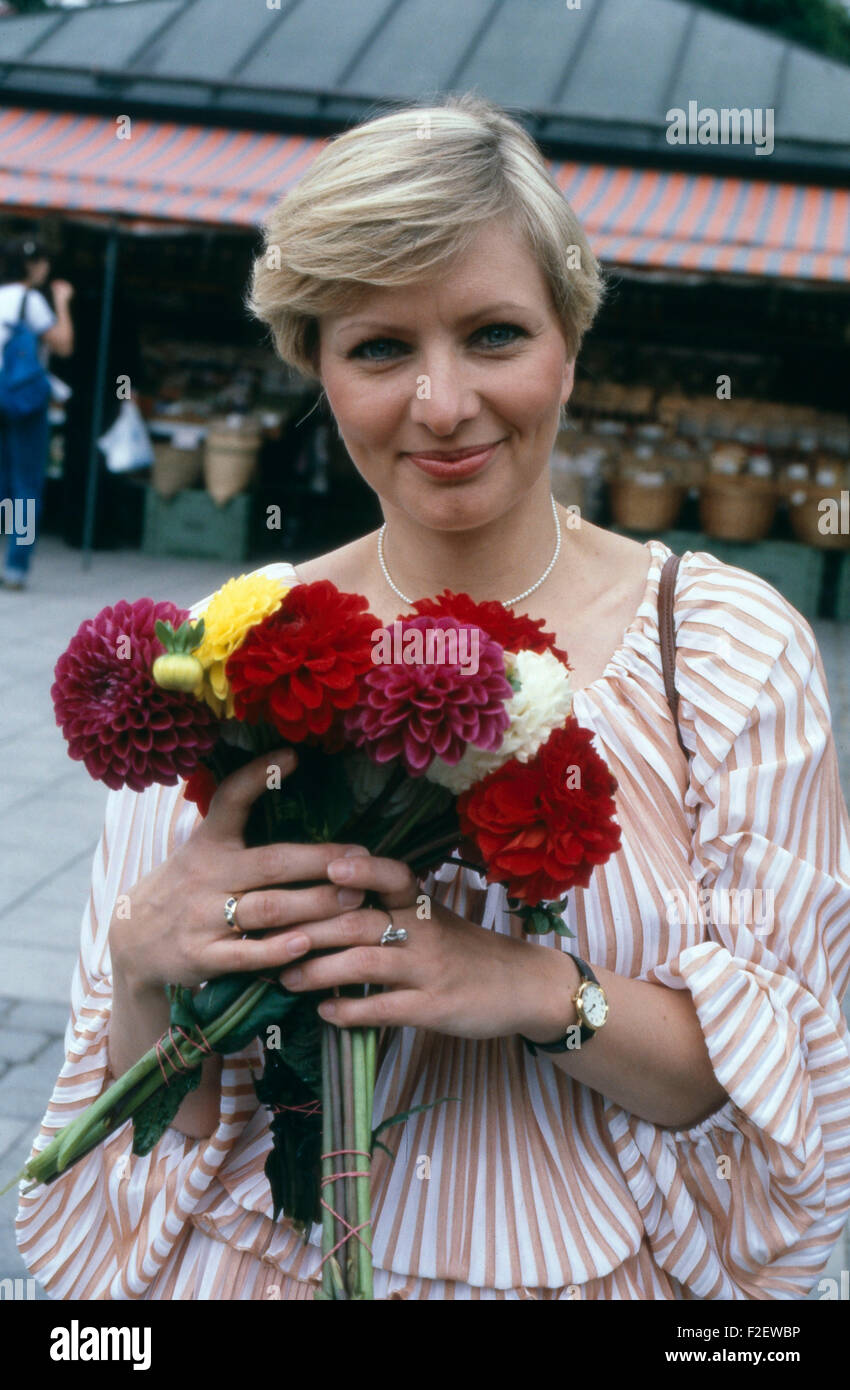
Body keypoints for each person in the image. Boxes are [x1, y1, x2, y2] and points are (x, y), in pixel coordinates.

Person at [16, 94, 850, 1300]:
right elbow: (175, 1118)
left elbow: (769, 1074)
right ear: (316, 367)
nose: (443, 403)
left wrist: (526, 986)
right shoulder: (239, 649)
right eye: (379, 348)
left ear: (571, 337)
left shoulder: (721, 647)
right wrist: (149, 965)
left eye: (495, 335)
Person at [0, 235, 74, 590]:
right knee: (25, 488)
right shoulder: (30, 300)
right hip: (25, 403)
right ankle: (16, 565)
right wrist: (61, 302)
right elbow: (63, 343)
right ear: (33, 265)